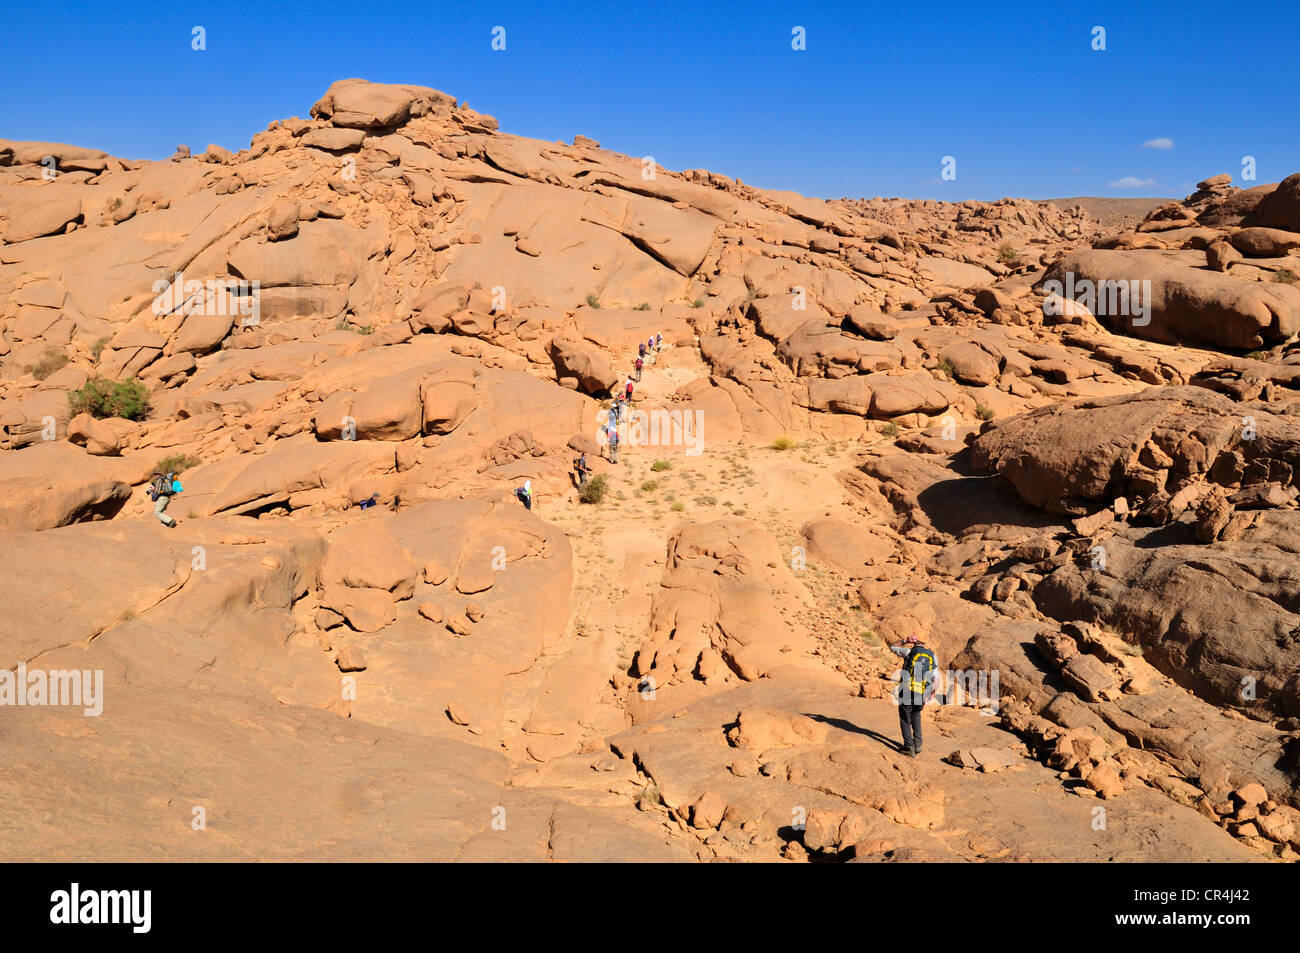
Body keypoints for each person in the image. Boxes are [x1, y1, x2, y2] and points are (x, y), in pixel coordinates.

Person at [890, 632, 937, 757]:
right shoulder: (932, 656)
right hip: (922, 691)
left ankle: (908, 746)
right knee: (916, 715)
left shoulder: (909, 652)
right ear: (925, 643)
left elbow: (893, 647)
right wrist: (932, 693)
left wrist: (905, 640)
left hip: (907, 690)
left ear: (915, 642)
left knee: (905, 718)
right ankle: (918, 744)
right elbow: (934, 677)